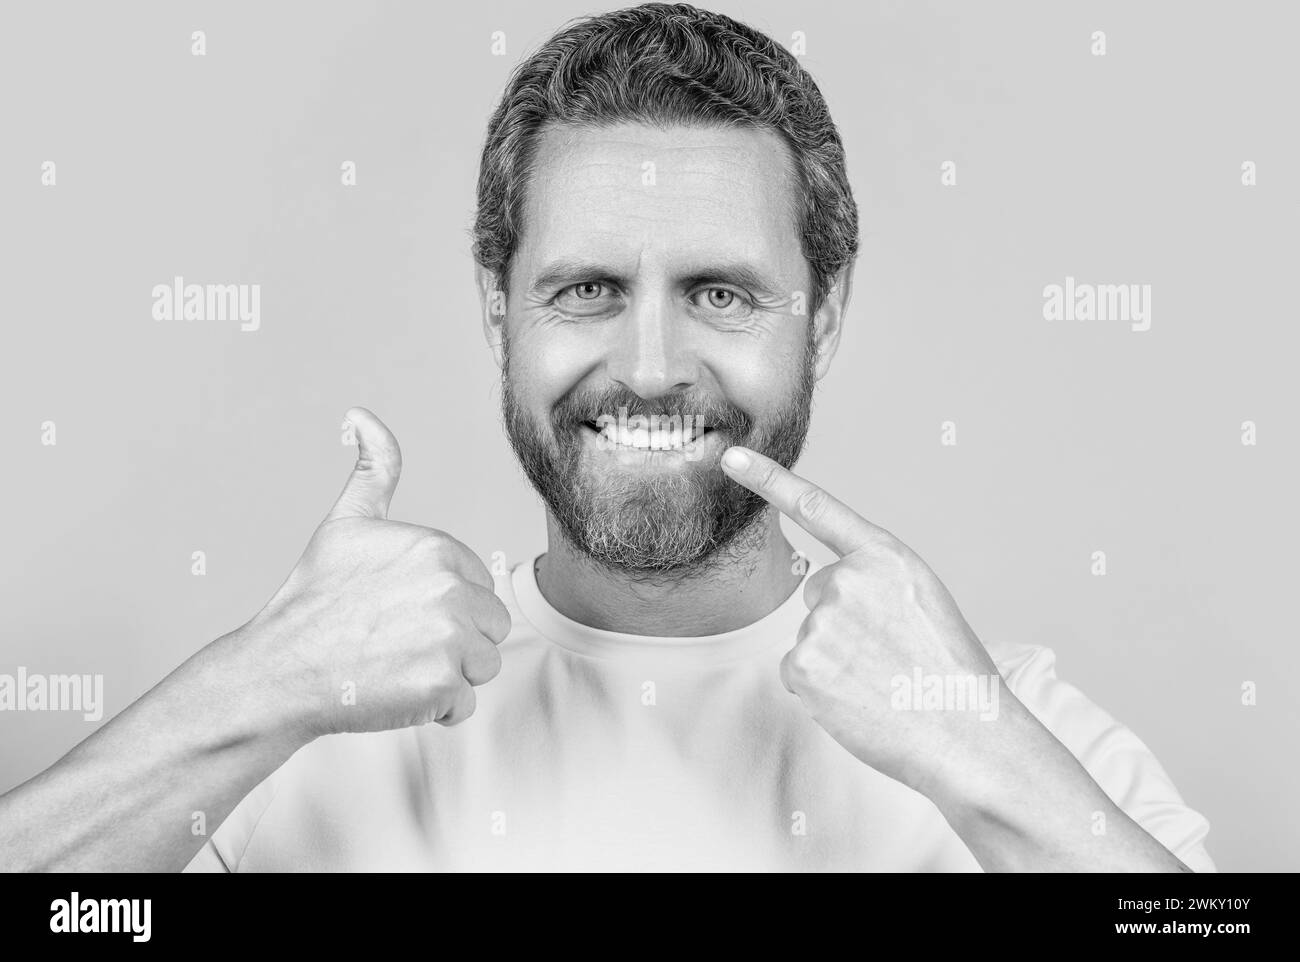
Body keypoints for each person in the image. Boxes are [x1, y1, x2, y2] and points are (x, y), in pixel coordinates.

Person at [0, 2, 1213, 872]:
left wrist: (977, 746)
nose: (646, 368)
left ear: (823, 316)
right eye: (586, 288)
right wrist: (257, 683)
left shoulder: (1024, 732)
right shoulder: (311, 722)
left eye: (720, 293)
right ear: (498, 312)